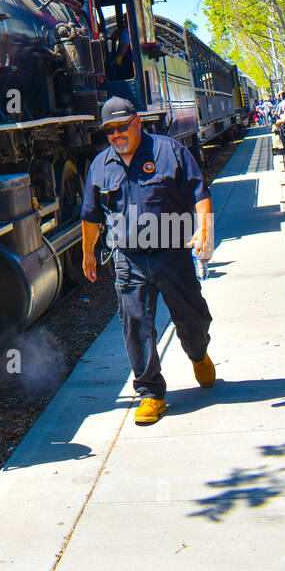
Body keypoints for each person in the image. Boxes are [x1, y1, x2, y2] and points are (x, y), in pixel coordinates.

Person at [81, 96, 215, 425]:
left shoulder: (169, 152)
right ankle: (150, 393)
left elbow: (200, 193)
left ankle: (198, 352)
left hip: (172, 253)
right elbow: (90, 215)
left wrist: (205, 232)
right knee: (135, 325)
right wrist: (88, 253)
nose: (116, 135)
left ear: (137, 121)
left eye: (122, 127)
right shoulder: (100, 166)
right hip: (129, 260)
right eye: (109, 130)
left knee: (192, 317)